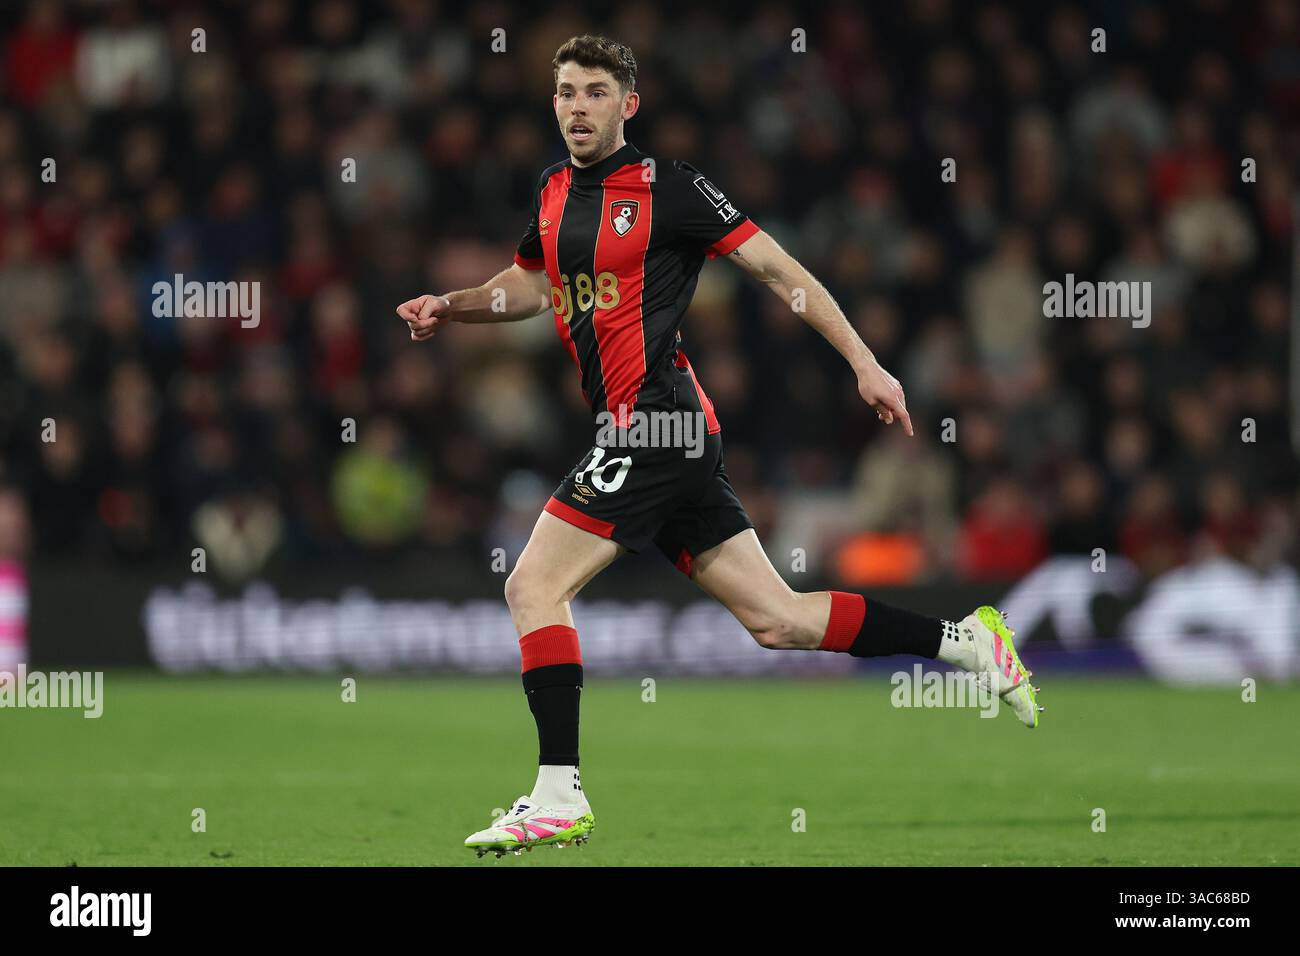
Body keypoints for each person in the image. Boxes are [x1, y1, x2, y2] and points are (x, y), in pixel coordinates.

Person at [395, 35, 1041, 858]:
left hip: (657, 423)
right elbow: (529, 284)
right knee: (780, 622)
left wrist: (865, 363)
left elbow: (781, 271)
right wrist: (452, 305)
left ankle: (558, 792)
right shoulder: (555, 191)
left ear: (629, 104)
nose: (577, 106)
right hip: (655, 431)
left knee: (532, 585)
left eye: (595, 91)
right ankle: (968, 643)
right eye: (564, 92)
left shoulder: (671, 189)